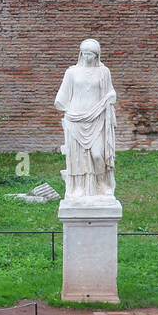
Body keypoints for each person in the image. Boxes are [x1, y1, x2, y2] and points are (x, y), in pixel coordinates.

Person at [54, 38, 117, 198]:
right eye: (84, 53)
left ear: (97, 55)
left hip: (96, 117)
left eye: (91, 54)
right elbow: (61, 97)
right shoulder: (72, 72)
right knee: (77, 157)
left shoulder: (104, 72)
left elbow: (110, 92)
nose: (87, 57)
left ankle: (102, 184)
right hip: (76, 118)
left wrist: (110, 97)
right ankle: (79, 187)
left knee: (97, 154)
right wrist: (67, 110)